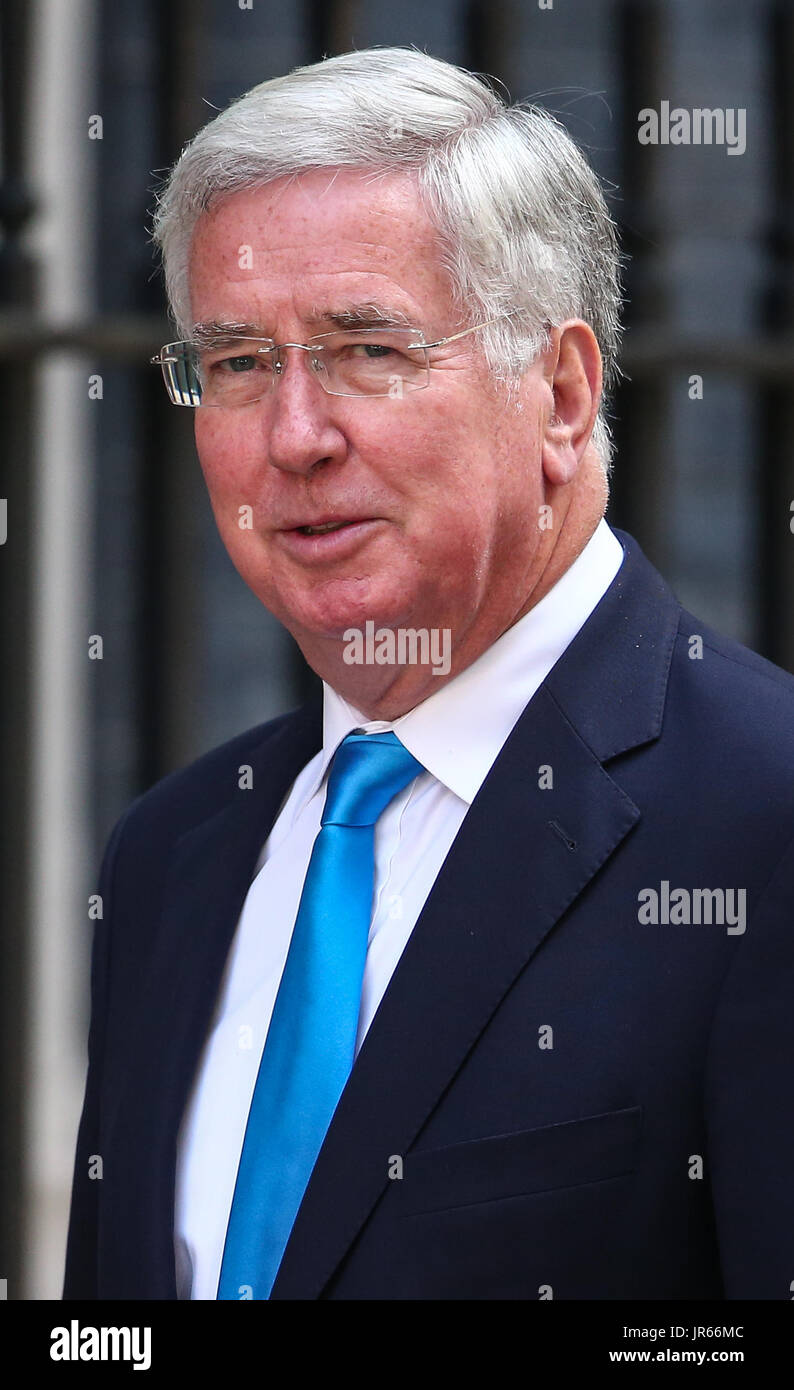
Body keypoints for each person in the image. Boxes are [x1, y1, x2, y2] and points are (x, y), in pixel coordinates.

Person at [63, 46, 794, 1301]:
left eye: (365, 349)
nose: (295, 437)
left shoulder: (764, 819)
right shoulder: (172, 854)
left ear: (560, 394)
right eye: (237, 362)